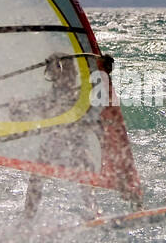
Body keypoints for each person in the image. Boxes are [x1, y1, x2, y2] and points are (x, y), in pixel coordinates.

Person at [18, 54, 106, 220]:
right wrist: (15, 108)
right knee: (37, 174)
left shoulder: (80, 97)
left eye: (73, 72)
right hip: (54, 145)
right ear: (54, 76)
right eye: (66, 72)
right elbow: (21, 115)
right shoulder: (48, 99)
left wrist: (104, 69)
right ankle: (27, 218)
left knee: (87, 164)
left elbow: (98, 123)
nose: (71, 76)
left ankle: (93, 211)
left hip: (77, 147)